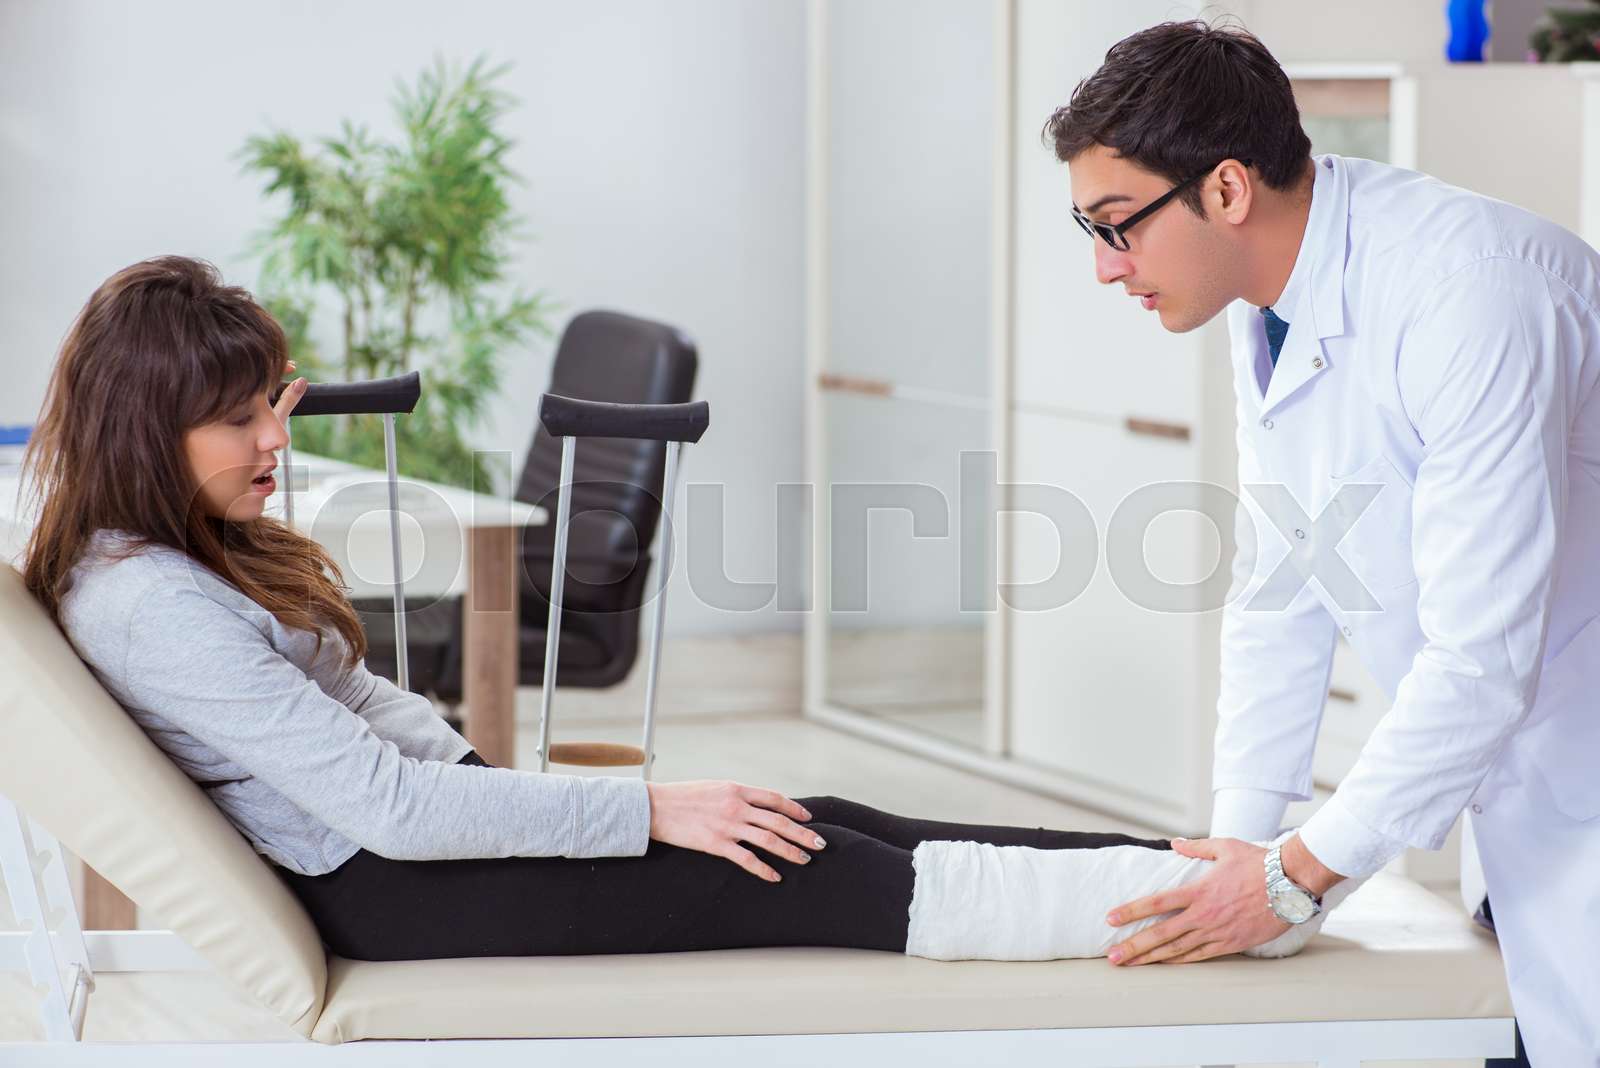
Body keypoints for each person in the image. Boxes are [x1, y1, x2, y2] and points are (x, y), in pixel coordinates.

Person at [20, 256, 1349, 966]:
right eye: (239, 419)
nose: (274, 437)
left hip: (412, 851)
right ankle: (1204, 912)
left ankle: (1186, 867)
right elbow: (391, 811)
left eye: (274, 403)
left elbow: (383, 737)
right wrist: (649, 807)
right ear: (147, 427)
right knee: (814, 865)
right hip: (394, 891)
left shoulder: (171, 553)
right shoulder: (152, 606)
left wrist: (538, 795)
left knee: (818, 815)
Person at [1044, 18, 1599, 1066]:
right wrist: (1240, 845)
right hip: (1530, 782)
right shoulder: (1266, 299)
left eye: (1117, 226)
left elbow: (1481, 659)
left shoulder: (1470, 292)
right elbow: (1286, 576)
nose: (1107, 269)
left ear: (1225, 189)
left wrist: (1293, 880)